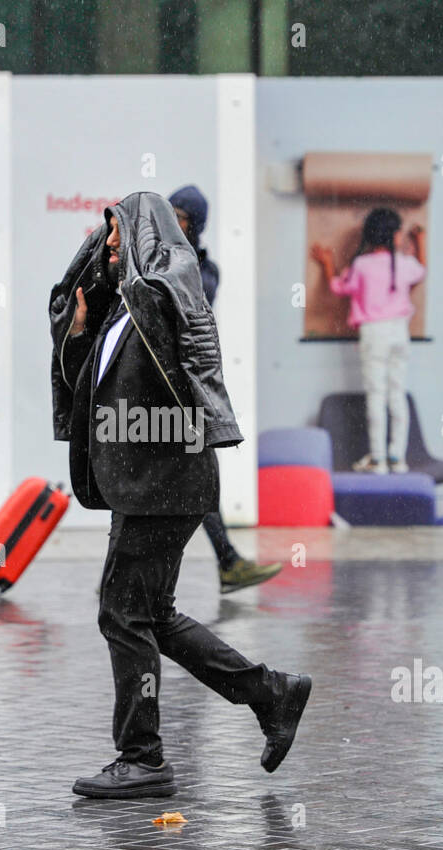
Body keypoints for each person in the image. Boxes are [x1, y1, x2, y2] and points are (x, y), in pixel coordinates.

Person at [50, 191, 312, 798]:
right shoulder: (119, 311)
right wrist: (79, 331)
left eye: (118, 233)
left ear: (147, 238)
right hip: (139, 485)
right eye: (106, 234)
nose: (109, 243)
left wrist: (157, 273)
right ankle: (272, 693)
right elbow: (83, 389)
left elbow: (183, 312)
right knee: (152, 616)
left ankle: (142, 757)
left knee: (121, 612)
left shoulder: (170, 294)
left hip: (167, 485)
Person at [167, 185, 282, 593]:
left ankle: (227, 563)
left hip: (180, 393)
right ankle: (227, 563)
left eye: (181, 216)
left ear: (195, 225)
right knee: (157, 482)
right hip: (149, 392)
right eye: (170, 213)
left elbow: (191, 299)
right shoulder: (143, 257)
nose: (173, 222)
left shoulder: (201, 268)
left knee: (196, 479)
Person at [311, 209, 425, 474]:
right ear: (395, 236)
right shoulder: (405, 263)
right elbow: (421, 270)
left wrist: (327, 263)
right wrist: (420, 242)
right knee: (397, 395)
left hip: (374, 334)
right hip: (400, 332)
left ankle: (378, 459)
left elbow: (339, 288)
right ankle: (398, 458)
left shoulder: (362, 265)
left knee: (377, 396)